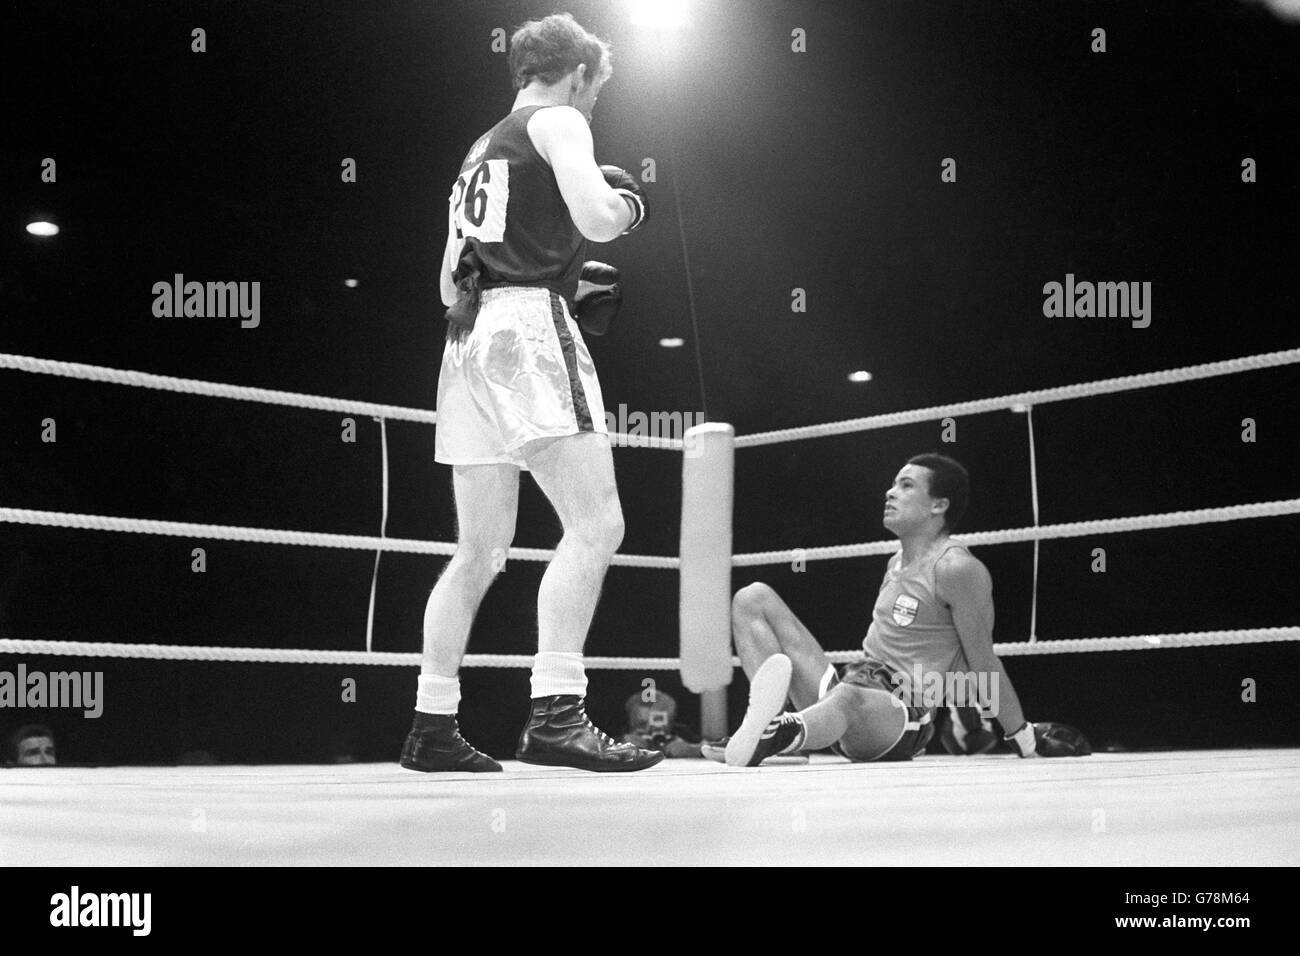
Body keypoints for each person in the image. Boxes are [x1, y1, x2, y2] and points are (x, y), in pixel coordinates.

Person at [400, 13, 660, 773]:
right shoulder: (559, 123)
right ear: (578, 74)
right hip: (525, 332)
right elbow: (598, 219)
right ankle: (556, 714)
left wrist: (560, 270)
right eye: (595, 92)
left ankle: (432, 725)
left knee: (477, 551)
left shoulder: (480, 151)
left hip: (465, 338)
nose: (592, 107)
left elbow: (449, 279)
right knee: (596, 524)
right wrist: (628, 204)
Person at [720, 454, 1086, 767]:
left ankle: (779, 733)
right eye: (894, 484)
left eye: (906, 485)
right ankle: (782, 734)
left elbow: (982, 662)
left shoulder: (956, 568)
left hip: (901, 713)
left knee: (848, 698)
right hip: (852, 689)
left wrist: (1023, 737)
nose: (890, 492)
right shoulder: (896, 562)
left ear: (938, 505)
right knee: (753, 597)